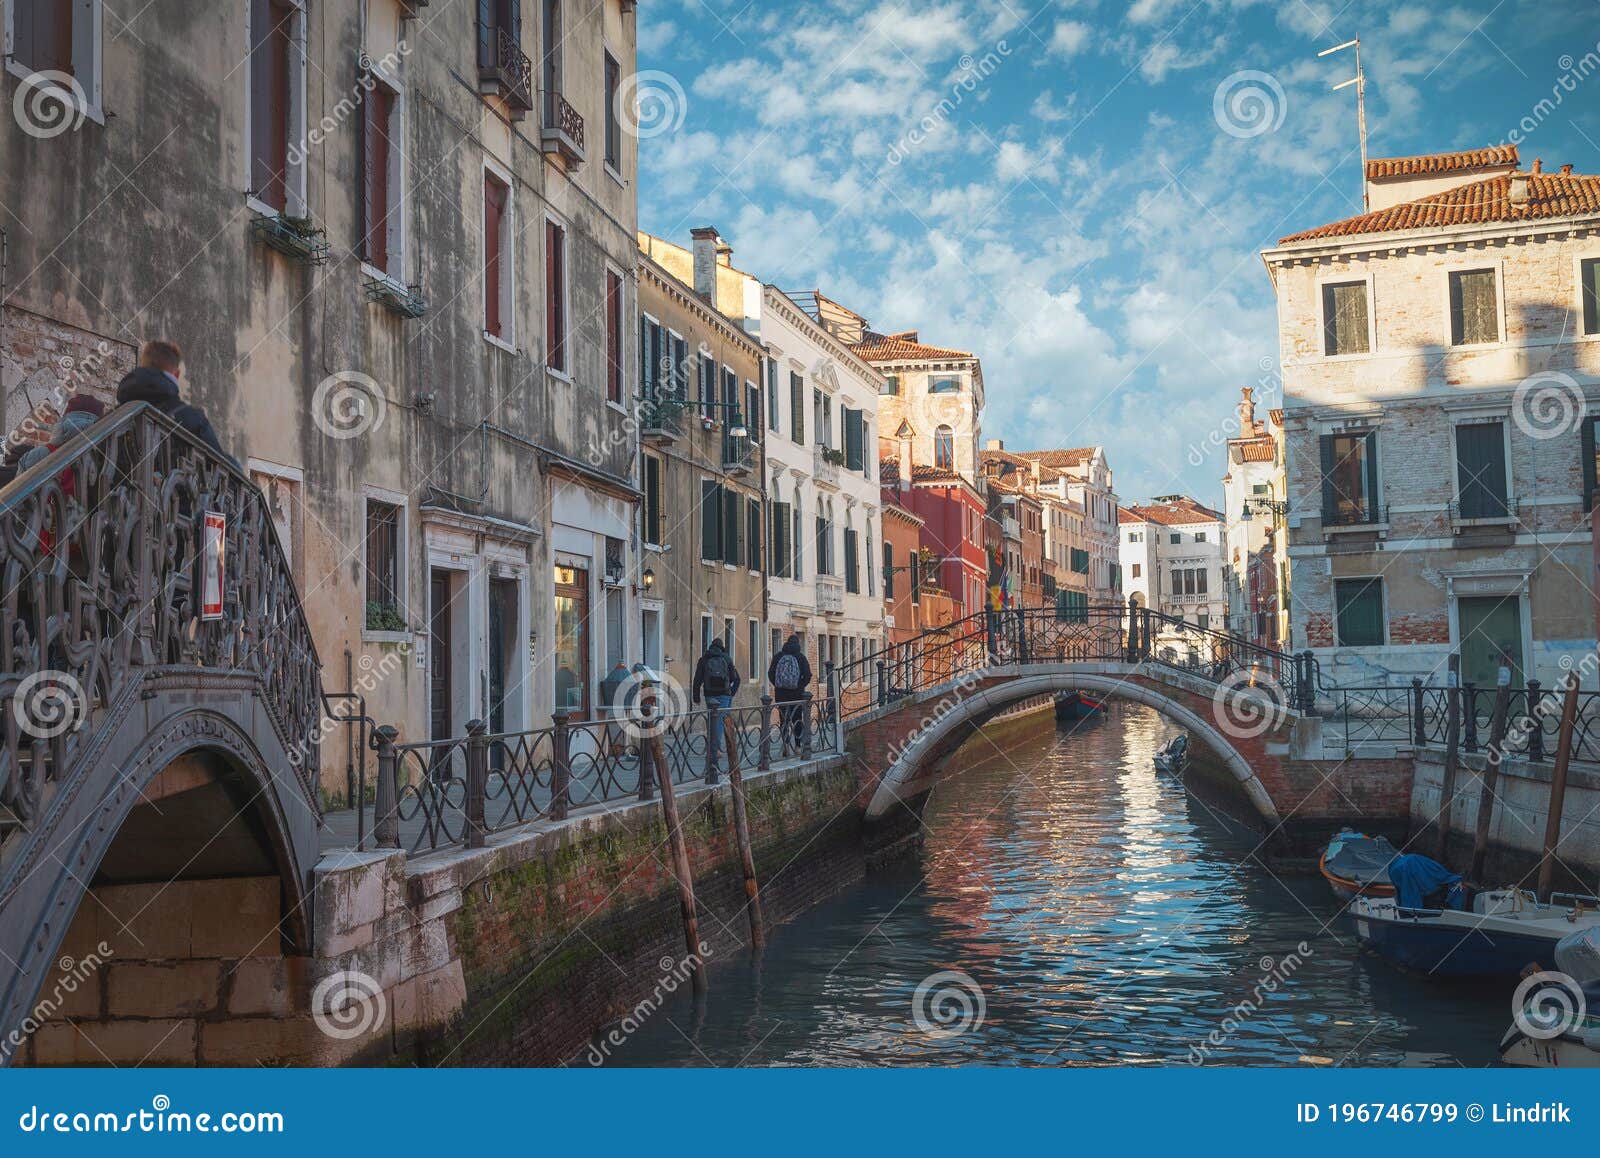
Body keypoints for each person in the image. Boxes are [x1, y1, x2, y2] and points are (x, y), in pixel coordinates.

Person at [115, 339, 227, 456]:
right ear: (176, 374)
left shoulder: (114, 417)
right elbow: (218, 463)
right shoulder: (193, 419)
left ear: (143, 367)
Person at [691, 638, 741, 768]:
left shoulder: (704, 659)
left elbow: (697, 680)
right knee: (719, 721)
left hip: (709, 694)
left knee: (713, 720)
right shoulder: (727, 658)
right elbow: (735, 678)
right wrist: (731, 693)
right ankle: (716, 749)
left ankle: (713, 747)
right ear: (722, 647)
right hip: (724, 694)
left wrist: (696, 697)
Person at [768, 633, 813, 755]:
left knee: (784, 720)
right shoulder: (801, 657)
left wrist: (778, 685)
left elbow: (770, 673)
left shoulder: (778, 656)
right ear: (798, 644)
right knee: (797, 719)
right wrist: (799, 685)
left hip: (781, 695)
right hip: (797, 695)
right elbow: (808, 675)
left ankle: (785, 745)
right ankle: (798, 747)